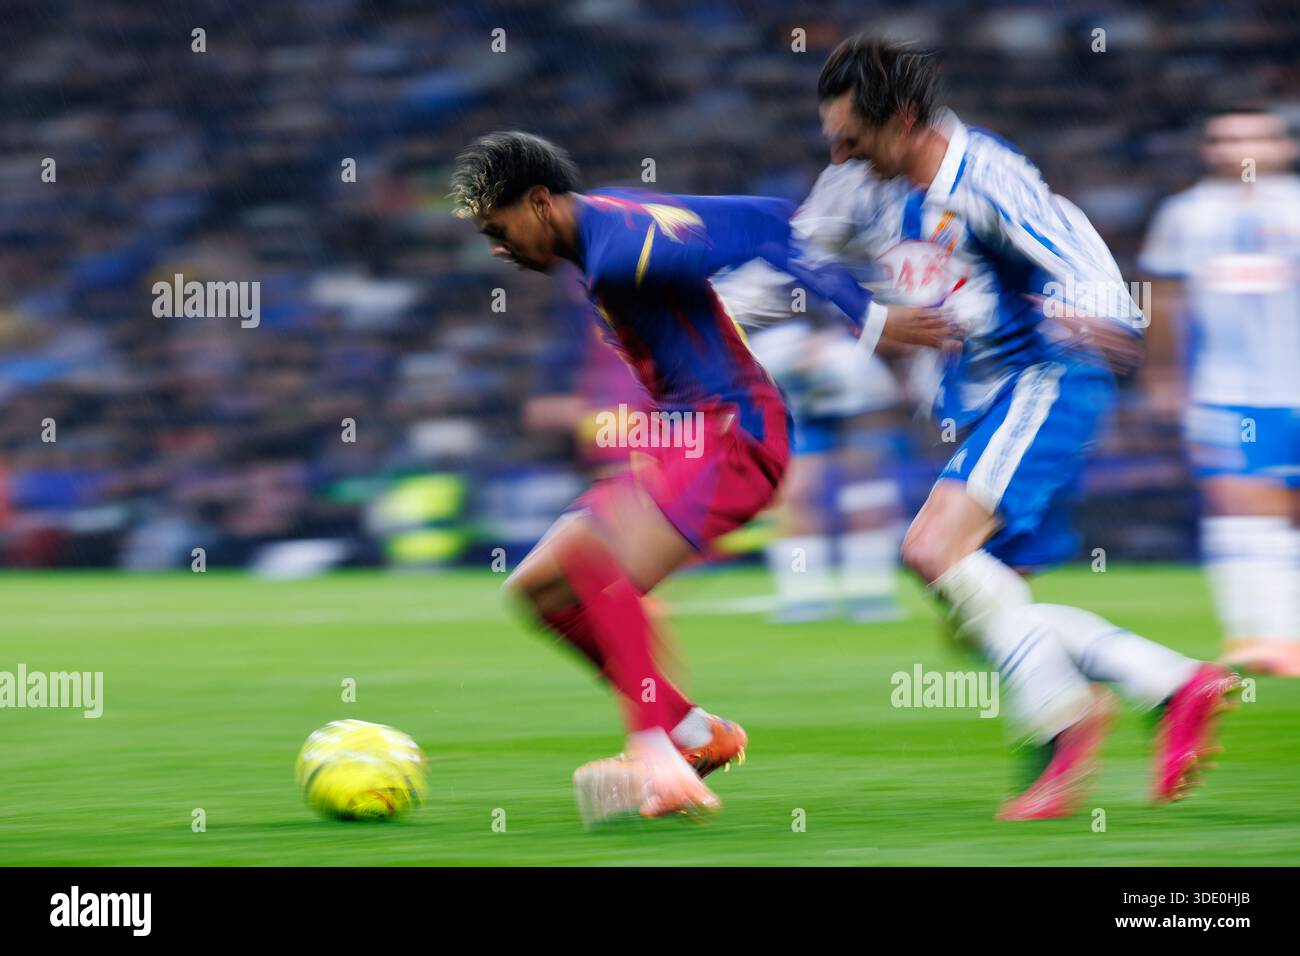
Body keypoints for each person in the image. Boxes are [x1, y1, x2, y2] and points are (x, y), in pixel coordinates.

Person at [728, 35, 1238, 819]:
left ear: (901, 121)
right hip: (989, 409)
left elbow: (1070, 247)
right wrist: (695, 315)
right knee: (985, 618)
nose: (838, 151)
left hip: (1050, 382)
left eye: (852, 137)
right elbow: (790, 266)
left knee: (933, 550)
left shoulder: (989, 179)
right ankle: (1172, 685)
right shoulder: (856, 187)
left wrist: (1104, 316)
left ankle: (1073, 728)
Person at [451, 130, 947, 822]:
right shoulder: (608, 228)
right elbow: (761, 221)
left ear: (537, 202)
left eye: (497, 230)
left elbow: (774, 225)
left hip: (735, 434)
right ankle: (692, 732)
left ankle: (655, 753)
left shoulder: (623, 246)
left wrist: (870, 319)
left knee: (599, 559)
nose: (497, 248)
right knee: (538, 587)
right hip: (693, 436)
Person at [1140, 106, 1300, 677]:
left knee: (1286, 512)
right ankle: (1257, 635)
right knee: (1237, 502)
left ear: (1282, 145)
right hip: (1226, 390)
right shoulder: (1186, 215)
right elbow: (1163, 299)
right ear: (1210, 149)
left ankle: (1285, 635)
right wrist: (1162, 375)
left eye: (1255, 136)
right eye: (1227, 138)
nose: (1242, 149)